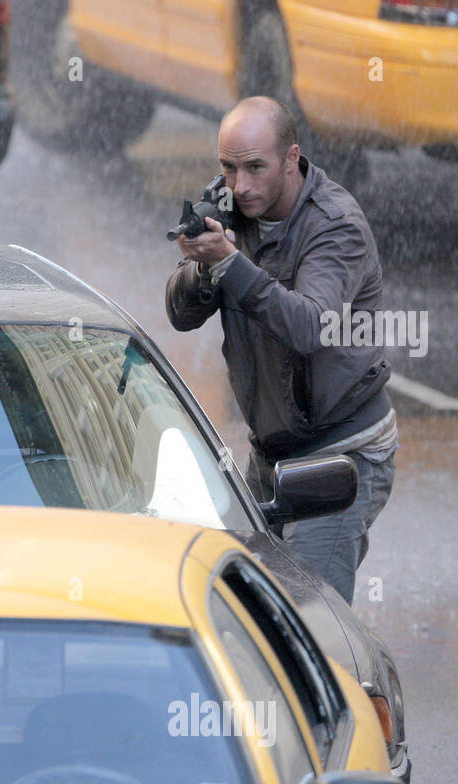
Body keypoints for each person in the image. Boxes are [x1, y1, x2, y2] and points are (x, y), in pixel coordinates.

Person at [165, 95, 396, 605]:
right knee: (250, 612)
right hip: (270, 451)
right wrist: (202, 267)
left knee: (311, 619)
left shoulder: (336, 225)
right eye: (227, 168)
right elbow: (181, 316)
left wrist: (229, 263)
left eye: (254, 168)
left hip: (342, 452)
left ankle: (347, 688)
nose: (240, 185)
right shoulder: (231, 207)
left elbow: (310, 326)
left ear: (291, 159)